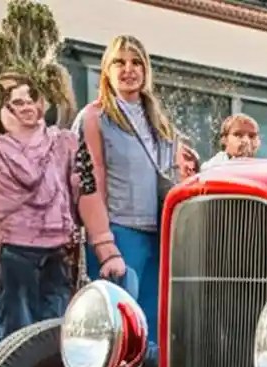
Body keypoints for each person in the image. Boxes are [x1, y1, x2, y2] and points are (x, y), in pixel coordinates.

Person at [0, 71, 110, 349]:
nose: (27, 107)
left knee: (55, 337)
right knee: (13, 338)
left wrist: (105, 247)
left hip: (58, 252)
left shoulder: (66, 143)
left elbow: (86, 190)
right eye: (15, 102)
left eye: (31, 99)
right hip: (13, 252)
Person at [70, 35, 183, 346]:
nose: (128, 69)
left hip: (158, 235)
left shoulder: (159, 122)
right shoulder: (94, 117)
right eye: (119, 62)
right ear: (107, 69)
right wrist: (104, 244)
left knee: (153, 331)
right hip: (119, 233)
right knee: (118, 333)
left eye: (136, 62)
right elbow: (86, 182)